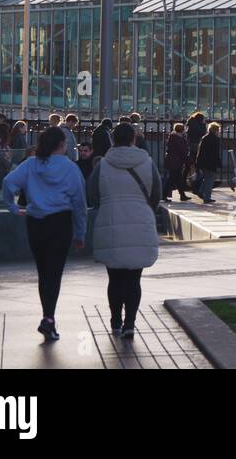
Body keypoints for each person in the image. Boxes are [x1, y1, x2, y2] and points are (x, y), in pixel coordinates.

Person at [1, 126, 87, 343]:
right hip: (61, 222)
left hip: (36, 222)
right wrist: (80, 233)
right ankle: (49, 318)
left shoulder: (30, 164)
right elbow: (79, 204)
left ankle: (47, 316)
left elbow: (8, 182)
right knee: (55, 272)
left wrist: (13, 207)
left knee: (43, 272)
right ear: (61, 145)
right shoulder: (70, 168)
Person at [87, 122, 161, 338]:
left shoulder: (102, 165)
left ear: (113, 139)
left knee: (114, 278)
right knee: (134, 279)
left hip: (111, 224)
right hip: (140, 223)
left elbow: (93, 195)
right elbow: (156, 194)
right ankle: (130, 323)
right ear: (133, 139)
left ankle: (115, 321)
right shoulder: (147, 163)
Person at [162, 123, 192, 202]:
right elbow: (183, 151)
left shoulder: (173, 137)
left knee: (178, 179)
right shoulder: (179, 139)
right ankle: (163, 195)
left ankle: (182, 195)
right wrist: (188, 161)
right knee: (172, 179)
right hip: (176, 162)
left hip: (173, 161)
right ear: (182, 130)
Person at [194, 122, 222, 203]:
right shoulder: (215, 139)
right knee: (210, 180)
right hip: (211, 162)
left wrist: (198, 162)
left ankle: (201, 191)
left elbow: (200, 151)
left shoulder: (205, 138)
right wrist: (219, 163)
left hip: (203, 162)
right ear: (216, 130)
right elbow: (216, 153)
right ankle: (207, 197)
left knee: (206, 178)